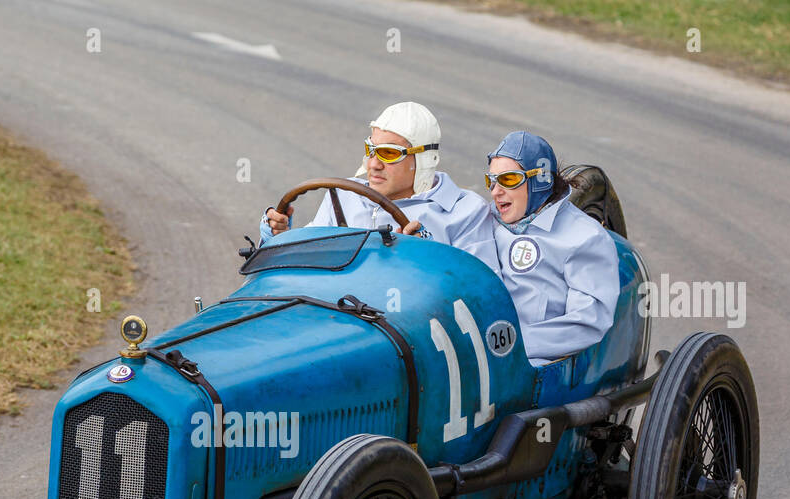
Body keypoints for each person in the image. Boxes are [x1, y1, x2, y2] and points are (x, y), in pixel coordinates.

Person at [260, 102, 498, 270]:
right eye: (371, 150)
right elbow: (304, 264)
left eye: (389, 154)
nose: (374, 164)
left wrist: (429, 257)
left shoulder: (466, 211)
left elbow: (482, 293)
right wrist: (279, 237)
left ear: (423, 159)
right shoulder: (343, 195)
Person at [485, 131, 619, 365]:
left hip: (534, 364)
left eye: (508, 180)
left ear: (540, 180)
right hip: (477, 350)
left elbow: (586, 322)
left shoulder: (585, 237)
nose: (495, 191)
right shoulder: (483, 219)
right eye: (492, 180)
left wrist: (506, 344)